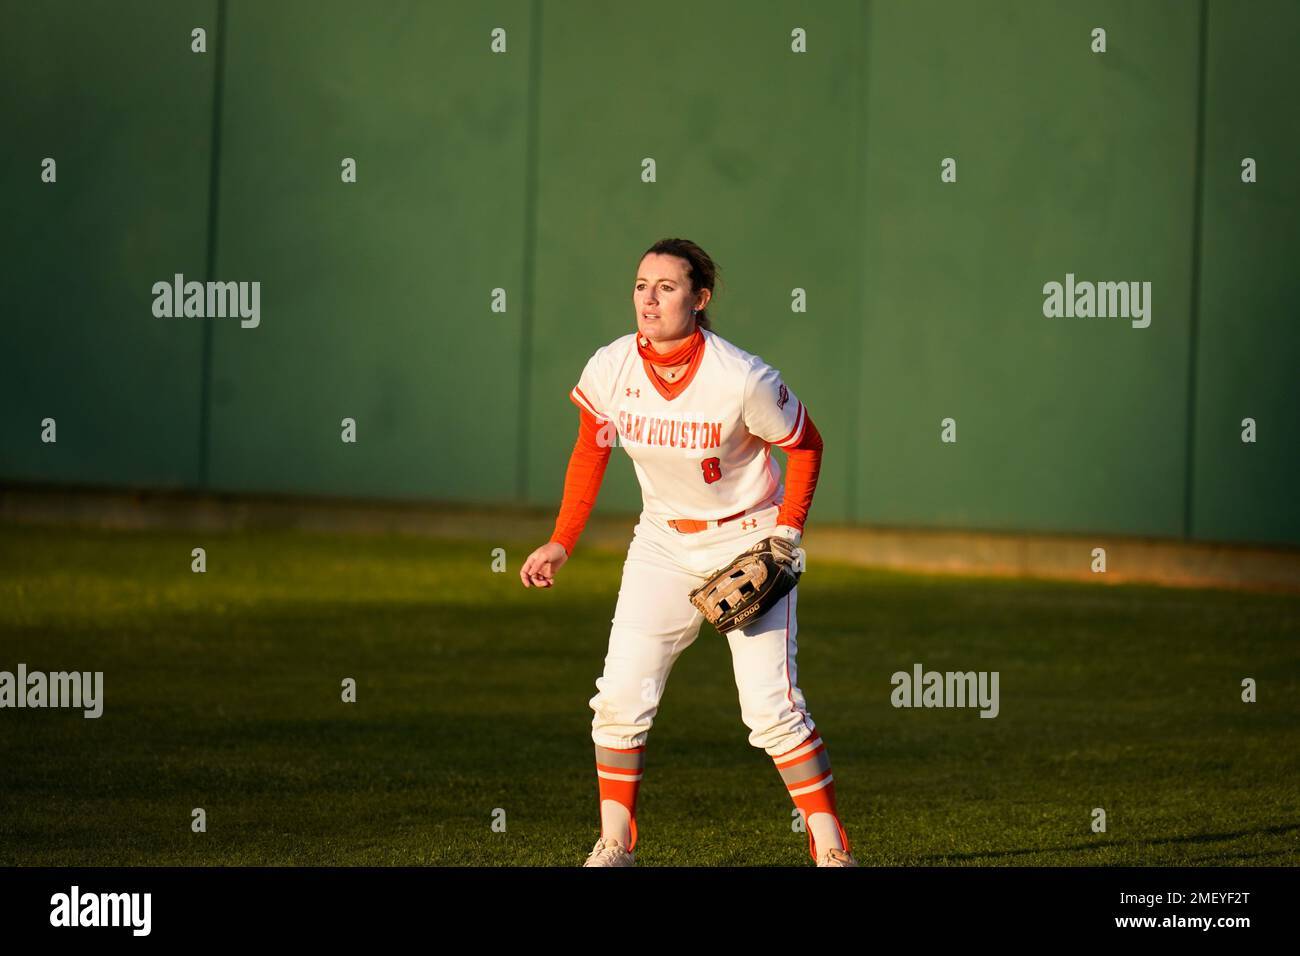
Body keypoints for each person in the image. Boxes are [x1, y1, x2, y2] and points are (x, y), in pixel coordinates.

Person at [519, 238, 855, 867]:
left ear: (699, 299)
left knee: (771, 708)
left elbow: (806, 446)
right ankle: (615, 845)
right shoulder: (612, 367)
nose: (649, 298)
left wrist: (786, 536)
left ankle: (831, 847)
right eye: (642, 285)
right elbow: (593, 448)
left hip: (748, 540)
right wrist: (562, 540)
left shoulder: (741, 378)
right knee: (620, 697)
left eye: (667, 286)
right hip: (661, 544)